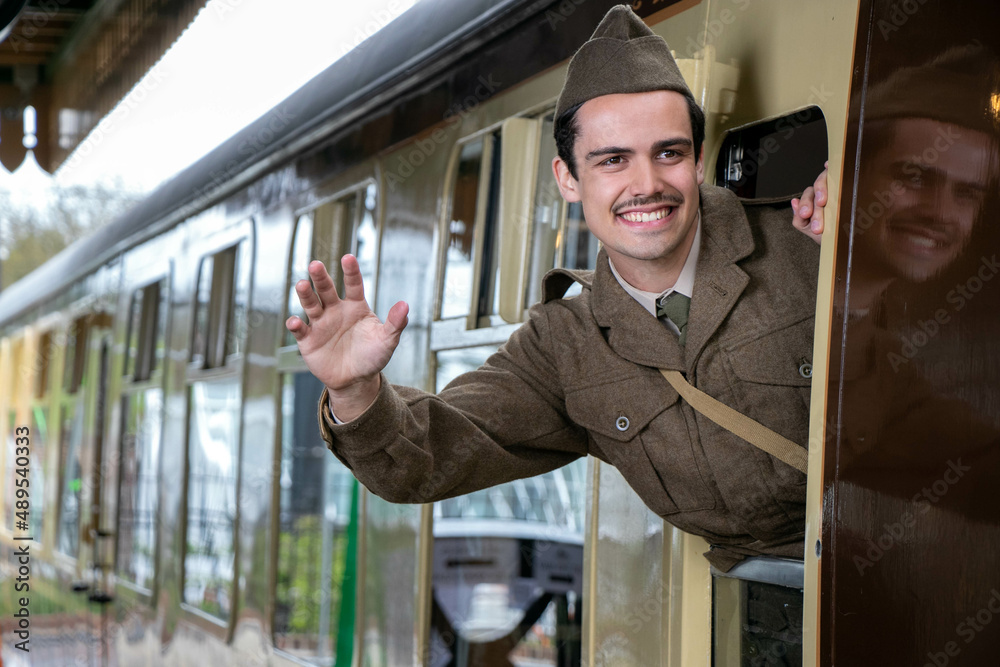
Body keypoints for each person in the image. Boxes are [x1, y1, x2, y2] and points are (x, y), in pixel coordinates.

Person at [286, 5, 827, 570]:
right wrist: (355, 392)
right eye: (613, 160)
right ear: (568, 179)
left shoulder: (807, 244)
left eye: (669, 153)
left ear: (696, 161)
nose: (647, 184)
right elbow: (425, 459)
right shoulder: (565, 346)